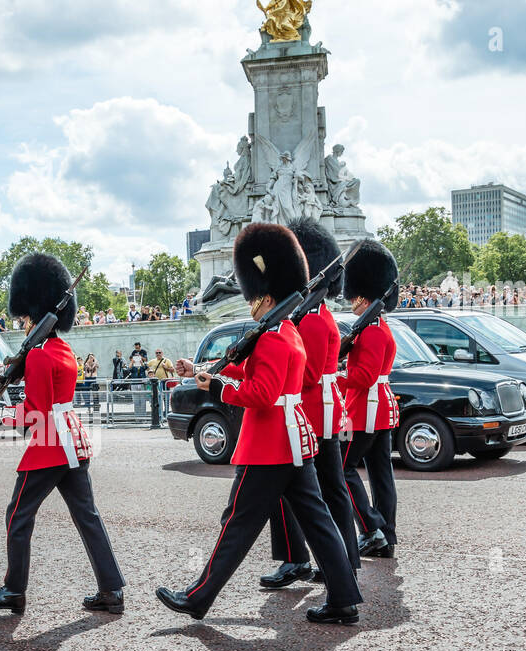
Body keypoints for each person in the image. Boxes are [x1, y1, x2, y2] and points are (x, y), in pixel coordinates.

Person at [156, 223, 363, 625]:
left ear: (263, 296)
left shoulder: (271, 336)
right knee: (317, 522)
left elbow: (261, 393)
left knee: (237, 522)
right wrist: (202, 369)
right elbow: (275, 376)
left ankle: (198, 597)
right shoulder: (287, 333)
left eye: (251, 296)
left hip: (270, 442)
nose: (248, 302)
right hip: (295, 438)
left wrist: (218, 386)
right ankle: (343, 598)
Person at [0, 252, 125, 615]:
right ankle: (111, 589)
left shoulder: (39, 354)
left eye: (23, 317)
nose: (21, 322)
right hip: (74, 442)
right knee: (88, 517)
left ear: (32, 314)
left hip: (50, 445)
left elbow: (33, 412)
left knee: (17, 516)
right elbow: (18, 369)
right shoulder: (60, 349)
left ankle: (13, 590)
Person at [257, 219, 361, 589]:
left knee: (321, 491)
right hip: (313, 413)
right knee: (319, 491)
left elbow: (309, 375)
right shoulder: (309, 316)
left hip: (312, 413)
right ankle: (323, 560)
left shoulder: (314, 322)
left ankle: (327, 560)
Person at [340, 240, 400, 559]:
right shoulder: (376, 327)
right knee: (380, 476)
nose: (352, 302)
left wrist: (334, 376)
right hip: (378, 411)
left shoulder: (372, 331)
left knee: (343, 468)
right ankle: (386, 537)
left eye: (355, 297)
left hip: (365, 411)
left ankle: (371, 528)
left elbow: (363, 377)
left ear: (363, 296)